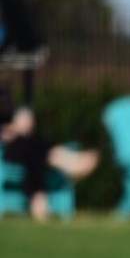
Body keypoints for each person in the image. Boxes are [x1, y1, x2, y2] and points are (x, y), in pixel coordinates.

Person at [0, 85, 99, 221]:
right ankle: (70, 162)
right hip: (9, 152)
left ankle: (40, 196)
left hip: (28, 151)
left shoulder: (11, 111)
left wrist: (22, 125)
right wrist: (14, 128)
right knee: (36, 148)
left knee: (36, 148)